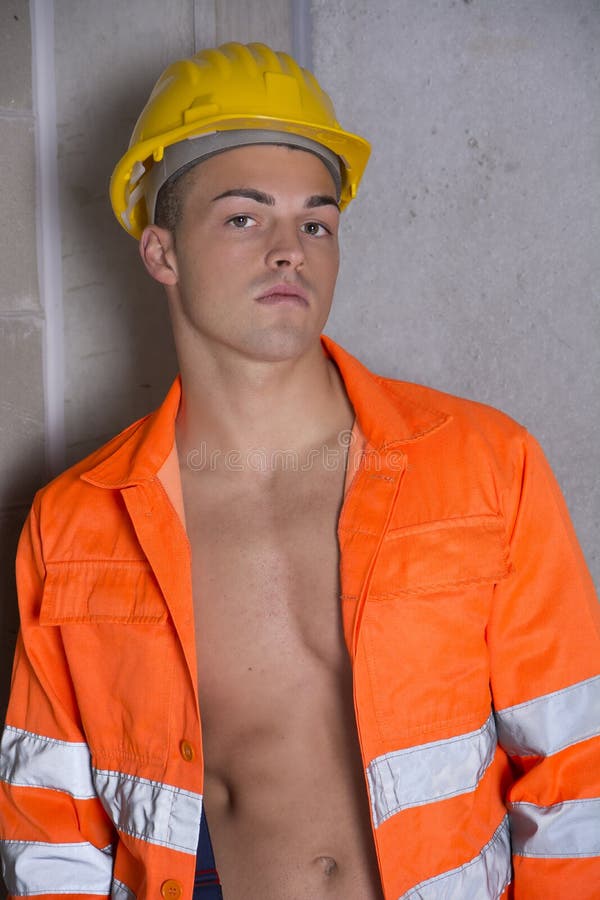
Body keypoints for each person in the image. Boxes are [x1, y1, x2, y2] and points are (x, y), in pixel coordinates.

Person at [0, 40, 599, 900]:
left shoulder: (483, 465)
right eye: (244, 218)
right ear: (161, 253)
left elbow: (577, 766)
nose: (292, 250)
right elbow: (48, 815)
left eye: (315, 221)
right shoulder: (78, 521)